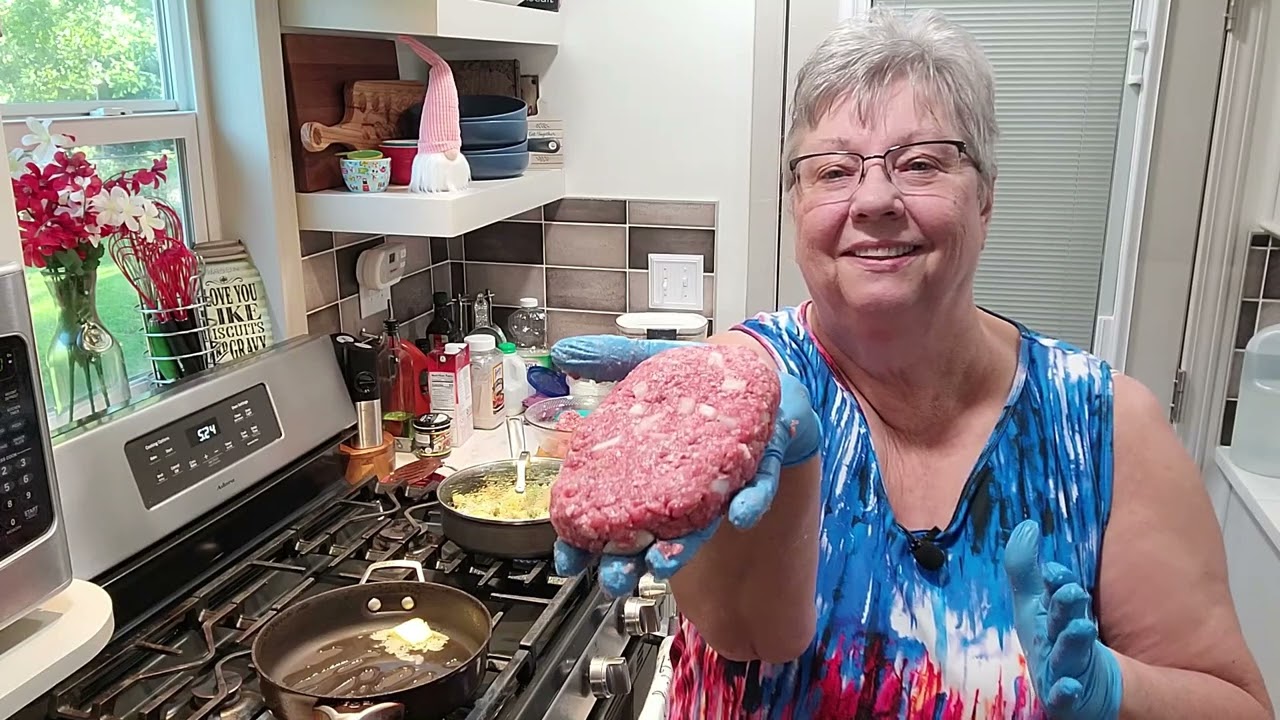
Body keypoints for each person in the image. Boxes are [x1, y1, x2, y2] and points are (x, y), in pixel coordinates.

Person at [549, 8, 1273, 720]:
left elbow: (1235, 702)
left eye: (922, 163)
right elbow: (753, 640)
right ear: (794, 205)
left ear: (985, 196)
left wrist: (1117, 695)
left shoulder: (1108, 426)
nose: (873, 200)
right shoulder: (748, 391)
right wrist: (784, 470)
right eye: (832, 171)